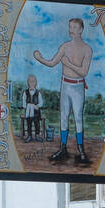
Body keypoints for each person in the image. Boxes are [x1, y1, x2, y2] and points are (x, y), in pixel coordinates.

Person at [33, 17, 92, 164]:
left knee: (78, 117)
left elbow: (84, 72)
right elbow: (52, 62)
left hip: (78, 86)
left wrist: (69, 64)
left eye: (74, 27)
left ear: (81, 30)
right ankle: (63, 148)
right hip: (65, 85)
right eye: (70, 27)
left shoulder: (87, 49)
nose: (71, 30)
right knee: (63, 117)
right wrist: (40, 58)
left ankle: (81, 149)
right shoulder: (65, 47)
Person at [21, 74, 43, 142]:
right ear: (28, 83)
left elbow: (41, 102)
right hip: (28, 110)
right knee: (29, 123)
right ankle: (29, 136)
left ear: (35, 83)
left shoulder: (38, 92)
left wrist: (38, 106)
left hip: (36, 111)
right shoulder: (25, 92)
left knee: (37, 123)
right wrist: (25, 107)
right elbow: (24, 101)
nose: (32, 83)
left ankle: (37, 135)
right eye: (30, 81)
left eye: (33, 81)